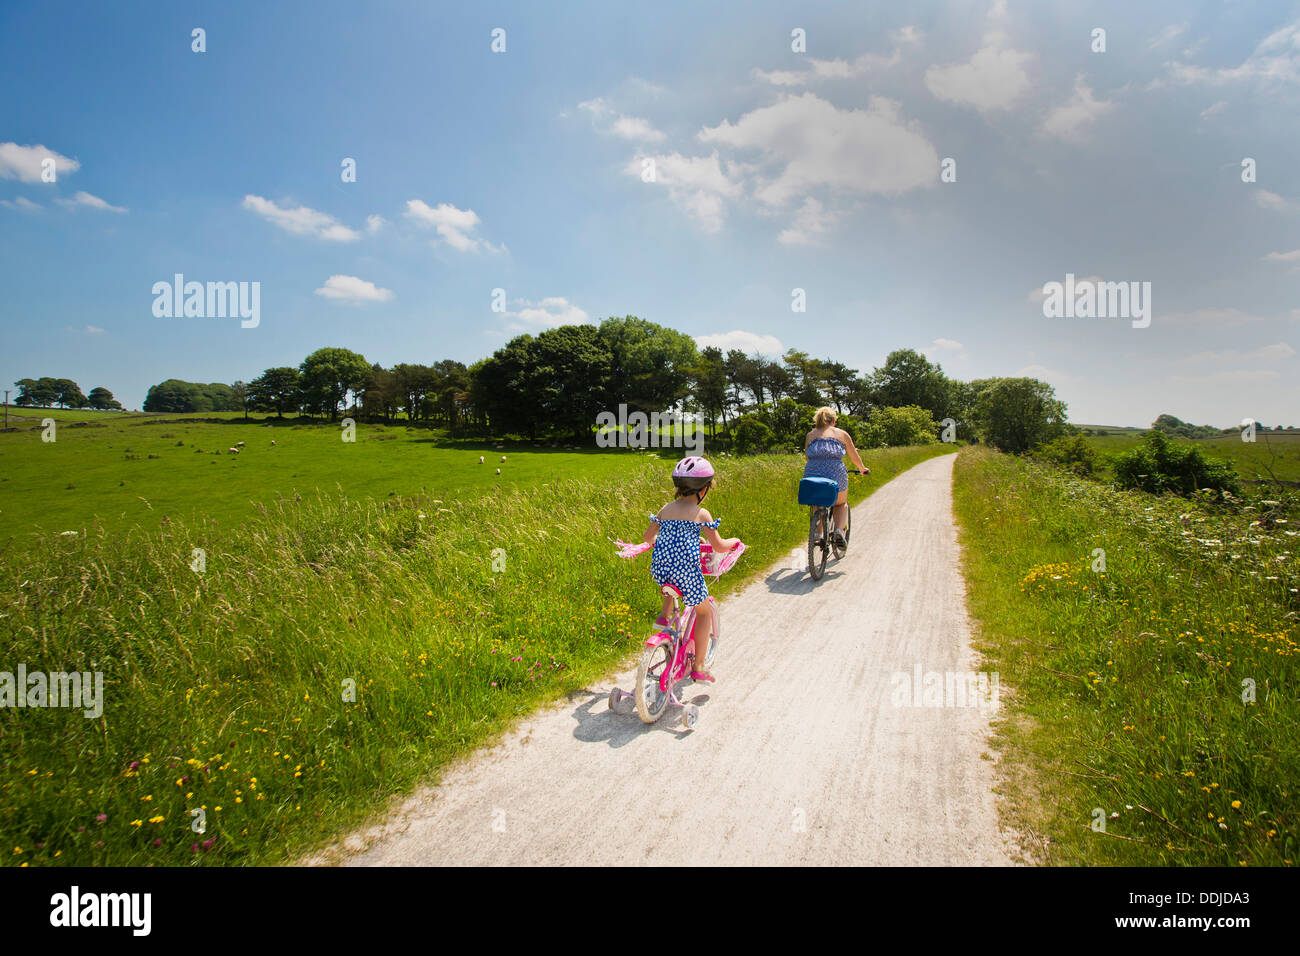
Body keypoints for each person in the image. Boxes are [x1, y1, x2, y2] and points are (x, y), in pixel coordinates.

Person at [641, 456, 740, 683]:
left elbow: (647, 537)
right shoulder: (701, 514)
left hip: (660, 570)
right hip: (686, 574)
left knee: (671, 579)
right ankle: (699, 666)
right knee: (703, 612)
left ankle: (664, 617)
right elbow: (718, 546)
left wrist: (665, 544)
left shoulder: (665, 509)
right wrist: (734, 542)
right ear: (703, 489)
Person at [803, 406, 868, 548]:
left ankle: (817, 534)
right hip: (836, 474)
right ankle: (838, 530)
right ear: (833, 420)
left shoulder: (810, 435)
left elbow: (807, 457)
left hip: (812, 474)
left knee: (818, 502)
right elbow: (854, 456)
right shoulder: (841, 434)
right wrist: (862, 469)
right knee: (840, 503)